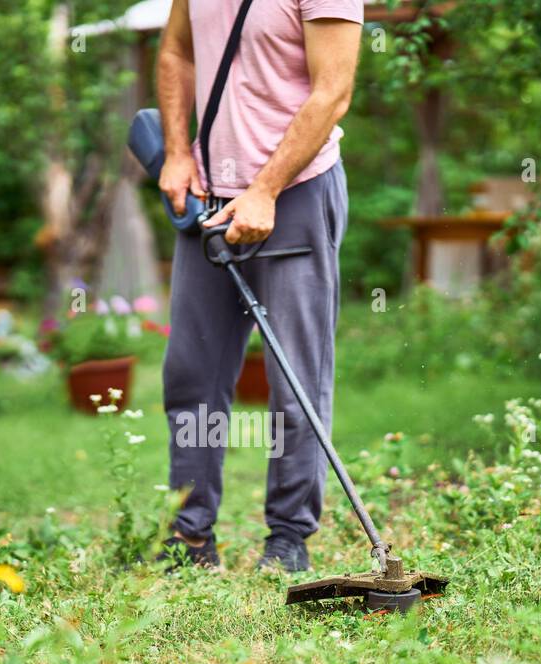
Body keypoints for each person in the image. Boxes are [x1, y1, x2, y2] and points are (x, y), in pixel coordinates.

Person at [154, 0, 363, 572]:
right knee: (191, 375)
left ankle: (288, 538)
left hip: (296, 192)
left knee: (295, 380)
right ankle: (191, 537)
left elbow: (333, 92)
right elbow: (176, 50)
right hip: (208, 203)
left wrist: (266, 189)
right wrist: (176, 151)